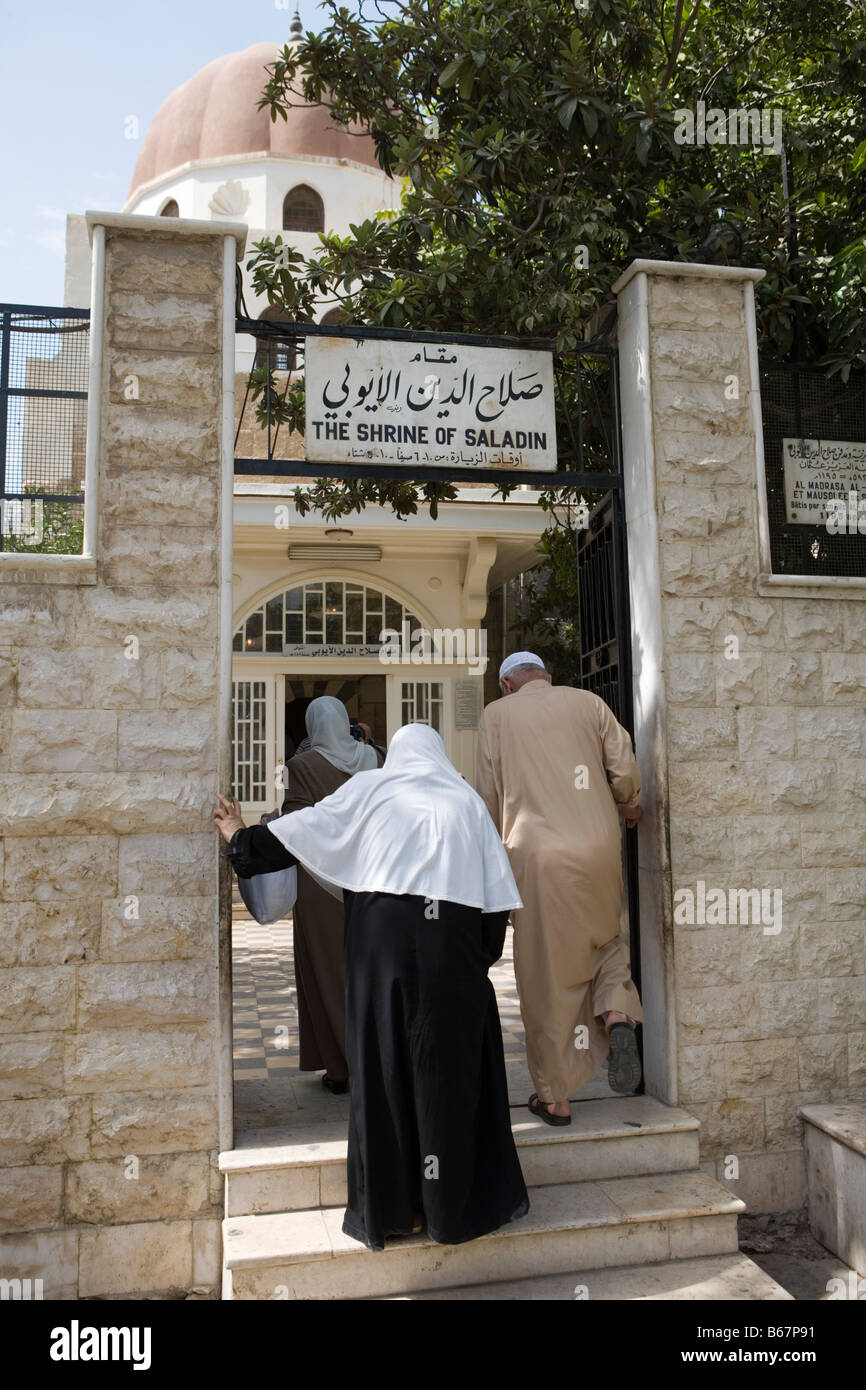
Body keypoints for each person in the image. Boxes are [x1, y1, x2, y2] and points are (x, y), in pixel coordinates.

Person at [214, 722, 529, 1251]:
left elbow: (302, 829)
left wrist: (238, 837)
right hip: (449, 946)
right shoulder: (466, 800)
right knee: (447, 1071)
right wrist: (469, 964)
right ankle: (450, 1210)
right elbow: (495, 909)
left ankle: (394, 1211)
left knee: (384, 1065)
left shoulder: (371, 788)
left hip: (380, 942)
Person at [475, 651, 644, 1126]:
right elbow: (624, 769)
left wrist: (489, 863)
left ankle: (555, 1098)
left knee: (547, 976)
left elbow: (489, 796)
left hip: (537, 857)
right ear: (547, 678)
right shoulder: (588, 703)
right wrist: (631, 808)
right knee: (608, 941)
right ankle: (615, 1013)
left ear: (507, 685)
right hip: (598, 846)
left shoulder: (496, 716)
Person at [278, 696, 381, 1093]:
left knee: (327, 970)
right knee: (373, 971)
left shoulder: (300, 766)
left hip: (320, 880)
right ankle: (378, 1063)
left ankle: (341, 1070)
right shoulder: (376, 759)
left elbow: (297, 821)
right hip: (374, 875)